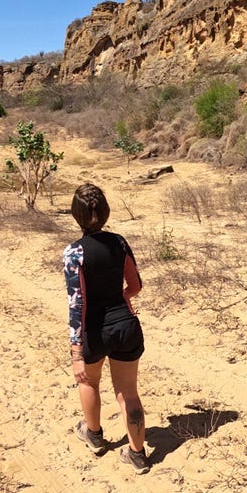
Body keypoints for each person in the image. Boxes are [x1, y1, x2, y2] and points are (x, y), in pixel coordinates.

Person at [62, 182, 150, 474]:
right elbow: (135, 285)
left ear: (76, 215)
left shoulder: (74, 253)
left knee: (88, 382)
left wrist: (76, 353)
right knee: (129, 393)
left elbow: (78, 304)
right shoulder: (119, 242)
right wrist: (123, 298)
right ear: (106, 212)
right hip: (126, 326)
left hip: (95, 331)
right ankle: (138, 455)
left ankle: (95, 436)